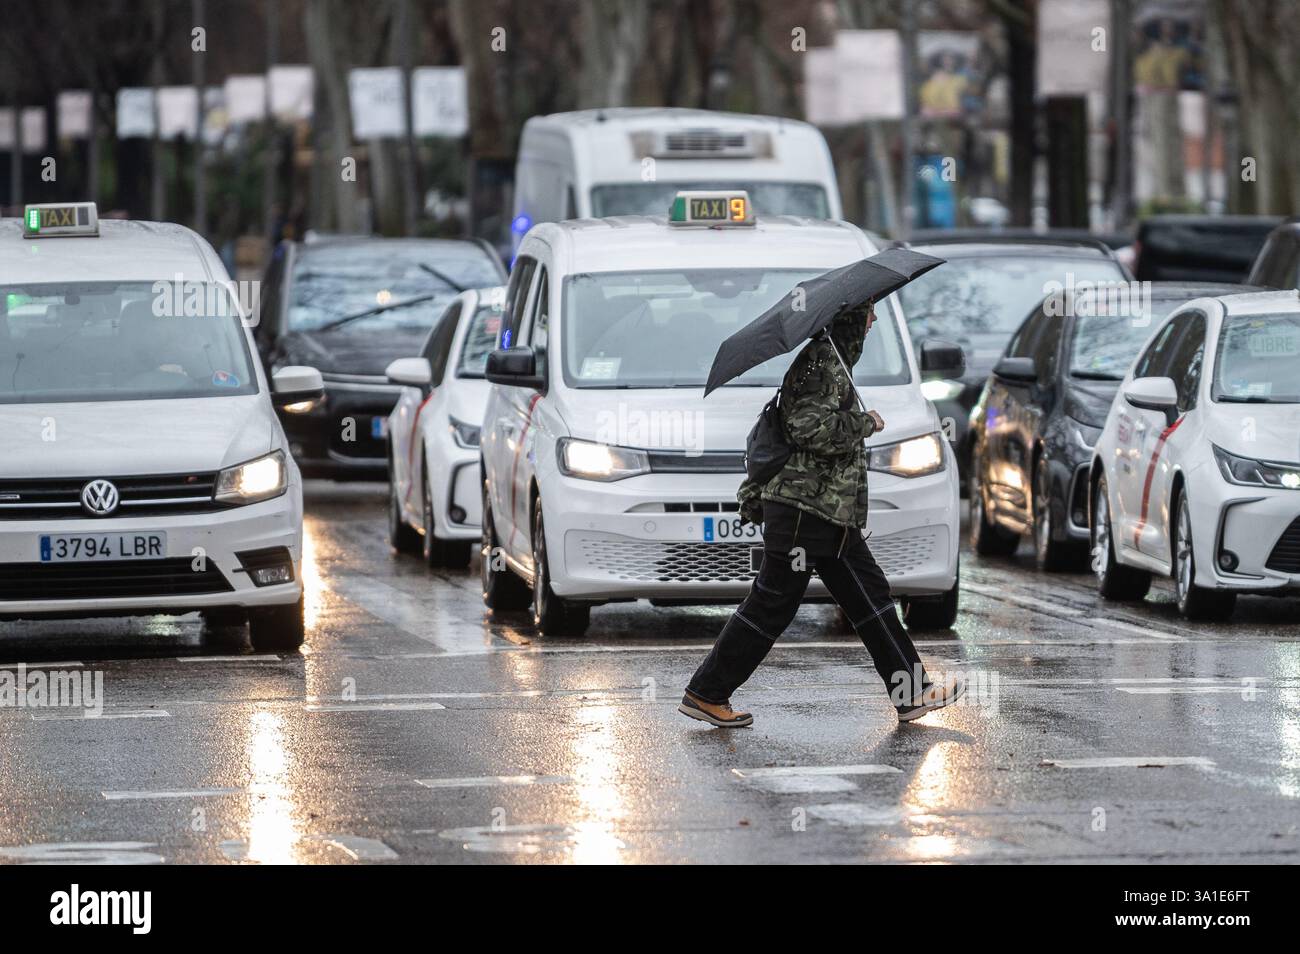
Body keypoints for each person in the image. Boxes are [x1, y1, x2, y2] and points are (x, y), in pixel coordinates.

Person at [680, 300, 964, 727]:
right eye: (868, 313)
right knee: (772, 604)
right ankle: (707, 692)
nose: (873, 320)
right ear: (848, 318)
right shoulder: (821, 364)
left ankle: (912, 693)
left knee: (870, 597)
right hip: (803, 510)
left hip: (826, 512)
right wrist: (863, 423)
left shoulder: (834, 362)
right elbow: (808, 429)